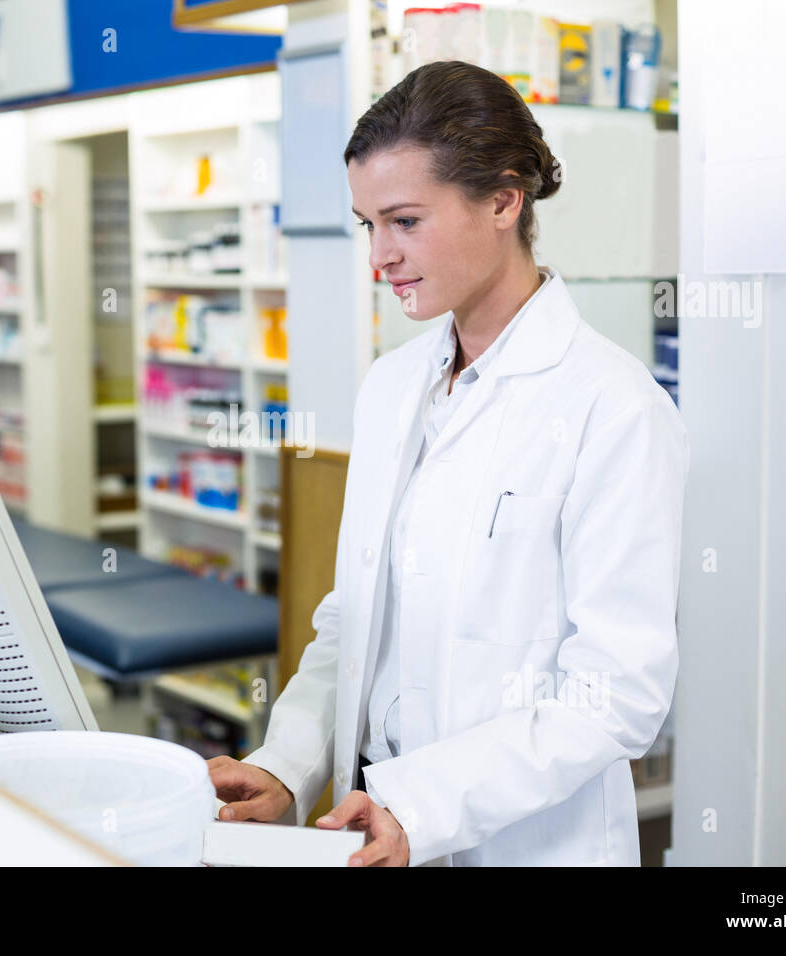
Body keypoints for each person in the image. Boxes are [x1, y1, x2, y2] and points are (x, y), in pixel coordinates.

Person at [208, 61, 689, 866]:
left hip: (524, 842)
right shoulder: (393, 387)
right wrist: (285, 763)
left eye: (404, 221)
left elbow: (617, 697)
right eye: (369, 225)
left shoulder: (615, 407)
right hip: (374, 818)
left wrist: (424, 804)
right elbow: (353, 618)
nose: (380, 258)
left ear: (505, 200)